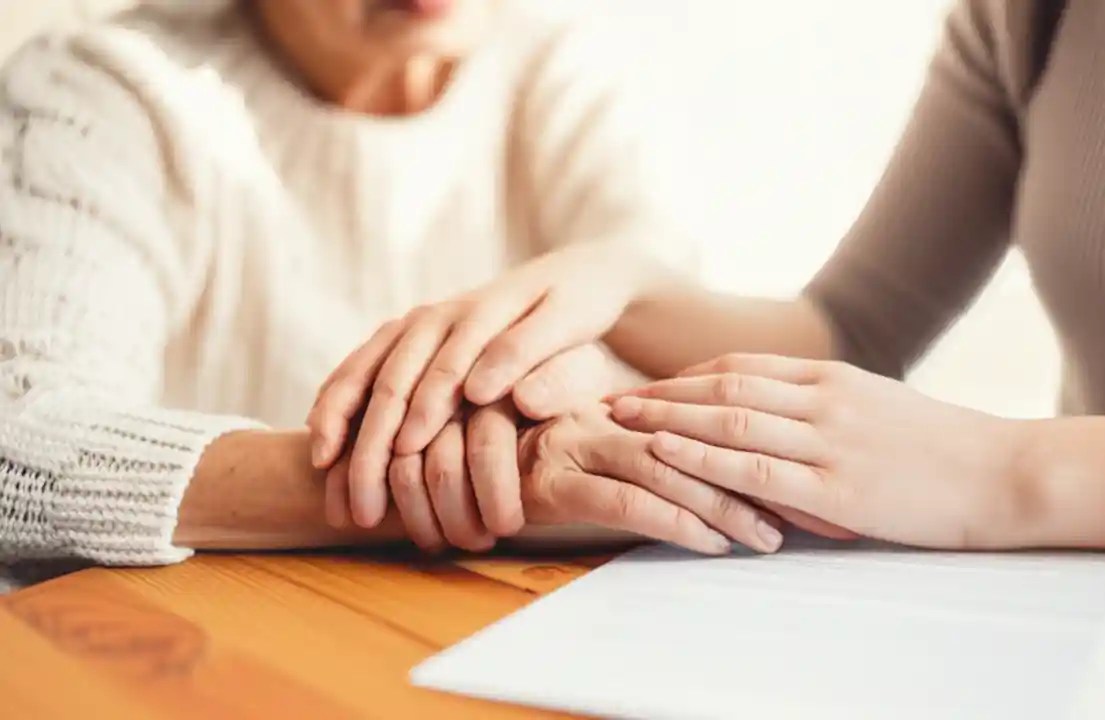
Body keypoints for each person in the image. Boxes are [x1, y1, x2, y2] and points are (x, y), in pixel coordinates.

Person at [321, 0, 1105, 558]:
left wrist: (1005, 469)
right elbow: (853, 326)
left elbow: (974, 453)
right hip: (1095, 590)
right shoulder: (1032, 12)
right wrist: (625, 287)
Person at [0, 0, 786, 590]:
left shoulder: (561, 66)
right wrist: (466, 480)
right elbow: (18, 447)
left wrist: (568, 409)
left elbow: (692, 369)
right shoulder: (103, 88)